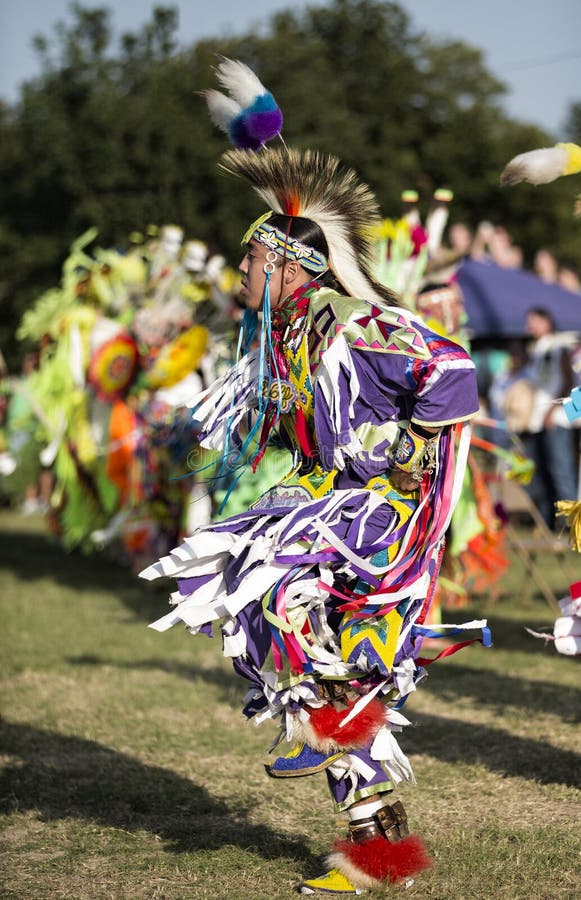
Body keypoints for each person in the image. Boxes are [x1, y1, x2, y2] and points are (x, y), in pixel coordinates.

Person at [141, 145, 483, 894]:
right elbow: (294, 423)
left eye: (253, 260)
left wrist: (411, 449)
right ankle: (376, 855)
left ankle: (327, 705)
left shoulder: (354, 324)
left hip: (376, 519)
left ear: (292, 267)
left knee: (276, 592)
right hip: (330, 505)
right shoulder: (286, 338)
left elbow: (452, 367)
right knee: (316, 679)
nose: (242, 273)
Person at [521, 307, 580, 530]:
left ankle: (574, 524)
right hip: (537, 420)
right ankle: (550, 524)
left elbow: (566, 380)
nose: (530, 326)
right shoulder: (536, 348)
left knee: (561, 471)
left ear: (547, 321)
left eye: (534, 321)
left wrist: (550, 411)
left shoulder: (559, 346)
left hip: (556, 418)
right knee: (543, 473)